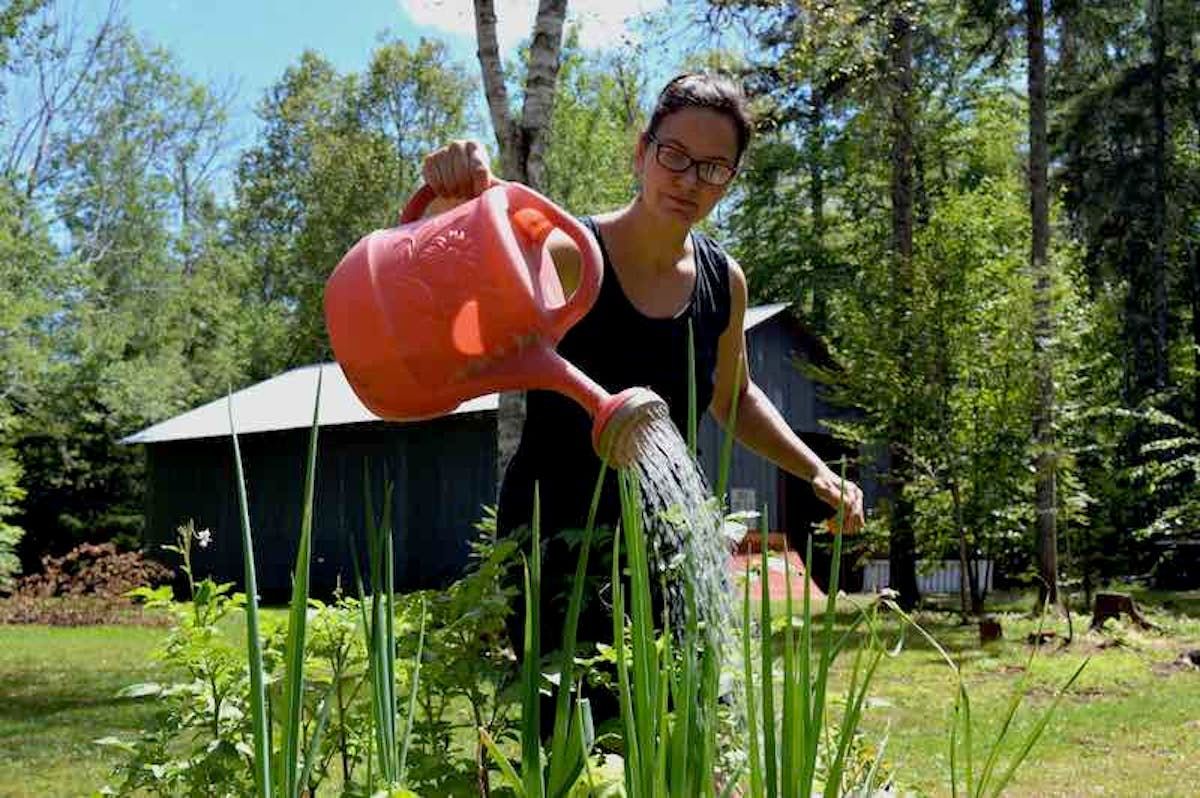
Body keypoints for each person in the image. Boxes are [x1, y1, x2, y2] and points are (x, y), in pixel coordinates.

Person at [420, 73, 865, 721]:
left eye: (713, 168)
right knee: (574, 738)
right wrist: (452, 201)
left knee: (680, 730)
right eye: (675, 155)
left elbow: (733, 397)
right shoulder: (571, 252)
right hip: (556, 548)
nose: (689, 180)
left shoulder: (724, 281)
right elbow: (459, 302)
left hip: (663, 543)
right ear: (642, 150)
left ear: (731, 180)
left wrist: (818, 473)